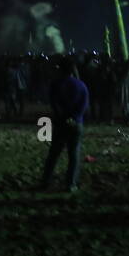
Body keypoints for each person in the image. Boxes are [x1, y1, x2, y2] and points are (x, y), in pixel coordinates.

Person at [40, 62, 89, 192]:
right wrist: (74, 117)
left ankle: (46, 181)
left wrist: (61, 115)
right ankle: (70, 184)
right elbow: (83, 106)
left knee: (54, 154)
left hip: (60, 122)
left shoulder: (55, 84)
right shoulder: (81, 85)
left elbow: (53, 102)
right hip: (76, 123)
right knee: (74, 155)